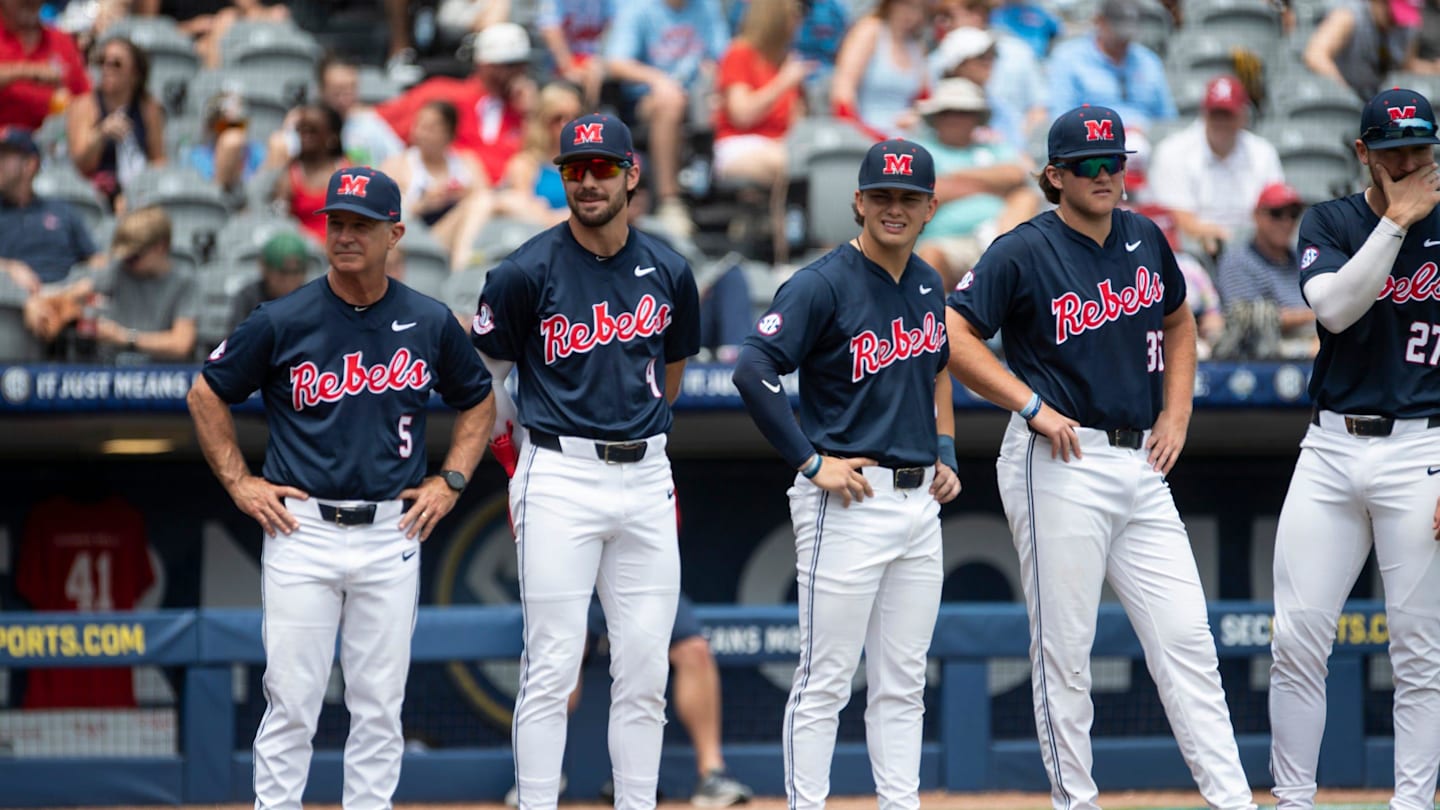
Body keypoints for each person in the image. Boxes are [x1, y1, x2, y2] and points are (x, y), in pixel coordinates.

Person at [944, 105, 1255, 810]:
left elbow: (1178, 320)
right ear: (1055, 175)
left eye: (1115, 161)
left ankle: (1233, 800)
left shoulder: (1145, 235)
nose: (1107, 174)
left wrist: (1178, 412)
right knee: (1066, 652)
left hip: (1138, 460)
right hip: (1059, 454)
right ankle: (1074, 803)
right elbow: (953, 334)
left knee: (1186, 638)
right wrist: (1028, 405)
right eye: (1089, 164)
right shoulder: (1022, 248)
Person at [187, 165, 496, 810]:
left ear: (395, 235)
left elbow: (477, 400)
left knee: (379, 706)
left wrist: (452, 480)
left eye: (362, 225)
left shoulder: (429, 320)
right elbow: (206, 391)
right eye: (337, 223)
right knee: (292, 700)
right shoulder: (283, 318)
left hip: (392, 531)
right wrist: (240, 482)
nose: (346, 235)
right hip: (302, 530)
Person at [471, 113, 700, 810]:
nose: (590, 180)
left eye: (603, 167)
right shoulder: (523, 271)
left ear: (633, 173)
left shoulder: (669, 268)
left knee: (644, 673)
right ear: (560, 176)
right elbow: (484, 378)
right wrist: (518, 461)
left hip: (645, 473)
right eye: (575, 168)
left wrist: (649, 437)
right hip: (560, 470)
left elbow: (674, 370)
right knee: (550, 666)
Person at [731, 139, 961, 810]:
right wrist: (809, 460)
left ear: (929, 209)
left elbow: (939, 369)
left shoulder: (927, 280)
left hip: (919, 503)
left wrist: (946, 449)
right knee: (826, 679)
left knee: (902, 681)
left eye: (908, 198)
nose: (895, 208)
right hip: (850, 500)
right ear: (858, 201)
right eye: (882, 196)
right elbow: (753, 366)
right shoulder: (822, 282)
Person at [1268, 87, 1440, 810]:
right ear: (1363, 152)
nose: (1408, 160)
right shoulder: (1332, 219)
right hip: (1332, 445)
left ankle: (1411, 804)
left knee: (1420, 654)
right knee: (1297, 639)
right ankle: (1295, 800)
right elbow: (1334, 310)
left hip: (1424, 447)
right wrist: (1397, 223)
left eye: (1420, 146)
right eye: (1392, 147)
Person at [502, 593, 755, 808]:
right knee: (563, 653)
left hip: (637, 569)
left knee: (693, 649)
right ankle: (542, 775)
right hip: (578, 573)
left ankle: (710, 774)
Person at [604, 0, 730, 238]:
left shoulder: (706, 7)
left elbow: (723, 55)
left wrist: (713, 76)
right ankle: (669, 201)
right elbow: (616, 63)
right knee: (670, 102)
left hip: (699, 96)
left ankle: (736, 198)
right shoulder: (638, 9)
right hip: (646, 100)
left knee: (727, 96)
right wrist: (658, 79)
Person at [28, 205, 198, 363]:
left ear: (160, 247)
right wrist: (37, 303)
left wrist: (123, 337)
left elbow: (180, 344)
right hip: (113, 371)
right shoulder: (118, 269)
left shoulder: (185, 282)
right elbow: (69, 291)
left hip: (163, 378)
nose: (126, 263)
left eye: (133, 257)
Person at [912, 78, 1037, 291]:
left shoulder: (994, 147)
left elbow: (1017, 174)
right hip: (946, 242)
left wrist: (953, 178)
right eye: (949, 111)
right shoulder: (920, 151)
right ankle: (930, 321)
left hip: (995, 237)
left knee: (1025, 196)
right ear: (936, 117)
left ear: (977, 118)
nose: (956, 118)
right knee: (930, 256)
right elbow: (926, 194)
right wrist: (994, 185)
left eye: (965, 112)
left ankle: (1003, 259)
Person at [377, 22, 535, 189]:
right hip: (444, 193)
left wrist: (531, 115)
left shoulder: (523, 108)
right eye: (508, 65)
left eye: (521, 64)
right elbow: (374, 125)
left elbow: (537, 160)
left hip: (505, 196)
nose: (517, 72)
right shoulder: (441, 93)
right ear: (483, 64)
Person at [713, 0, 813, 261]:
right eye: (793, 18)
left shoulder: (786, 61)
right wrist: (783, 83)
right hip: (738, 144)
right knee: (787, 164)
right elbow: (742, 114)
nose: (798, 25)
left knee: (814, 162)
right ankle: (787, 256)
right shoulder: (740, 53)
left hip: (781, 144)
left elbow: (797, 124)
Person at [1147, 75, 1284, 257]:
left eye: (1227, 114)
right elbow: (1178, 219)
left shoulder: (1262, 152)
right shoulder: (1172, 151)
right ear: (1204, 113)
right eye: (1215, 113)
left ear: (1243, 116)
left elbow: (1275, 208)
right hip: (1192, 253)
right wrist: (1226, 237)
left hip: (1254, 252)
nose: (1221, 122)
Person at [1213, 181, 1316, 360]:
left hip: (1315, 337)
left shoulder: (1303, 258)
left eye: (1293, 214)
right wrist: (1318, 314)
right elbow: (1249, 319)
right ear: (1257, 215)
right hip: (1266, 349)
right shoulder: (1238, 260)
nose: (1287, 222)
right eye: (1277, 214)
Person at [65, 36, 166, 207]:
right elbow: (80, 165)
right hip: (96, 194)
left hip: (140, 190)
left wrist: (145, 185)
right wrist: (101, 134)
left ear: (135, 74)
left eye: (116, 64)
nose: (106, 68)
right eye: (102, 61)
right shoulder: (85, 106)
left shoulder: (148, 107)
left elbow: (158, 159)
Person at [1045, 0, 1175, 131]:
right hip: (1094, 141)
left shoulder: (1148, 61)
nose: (1122, 41)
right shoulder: (1069, 57)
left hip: (1146, 139)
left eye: (1128, 34)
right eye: (1117, 33)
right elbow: (1061, 120)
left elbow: (1167, 118)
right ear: (1099, 21)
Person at [0, 126, 99, 287]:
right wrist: (8, 268)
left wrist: (87, 283)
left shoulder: (62, 210)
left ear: (30, 164)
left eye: (4, 157)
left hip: (65, 297)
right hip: (10, 301)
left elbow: (95, 259)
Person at [829, 0, 928, 140]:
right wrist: (863, 135)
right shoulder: (870, 30)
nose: (911, 13)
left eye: (919, 8)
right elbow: (842, 91)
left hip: (906, 140)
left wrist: (918, 117)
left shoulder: (917, 47)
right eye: (906, 4)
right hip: (864, 137)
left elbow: (924, 100)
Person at [1304, 0, 1424, 100]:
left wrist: (1433, 69)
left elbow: (1407, 65)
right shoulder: (1348, 16)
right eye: (1392, 16)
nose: (1395, 23)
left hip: (1380, 99)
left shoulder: (1406, 26)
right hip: (1346, 99)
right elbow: (1315, 55)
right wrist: (1345, 93)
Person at [0, 0, 90, 130]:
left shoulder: (60, 40)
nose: (30, 2)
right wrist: (28, 72)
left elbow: (84, 96)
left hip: (52, 142)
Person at [270, 104, 350, 243]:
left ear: (332, 137)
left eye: (312, 132)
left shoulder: (349, 173)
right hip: (304, 251)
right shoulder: (289, 176)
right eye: (301, 131)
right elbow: (280, 221)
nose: (305, 137)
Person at [226, 229, 312, 334]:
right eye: (283, 273)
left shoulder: (311, 301)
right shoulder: (248, 298)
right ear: (265, 270)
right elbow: (235, 343)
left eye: (296, 272)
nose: (289, 281)